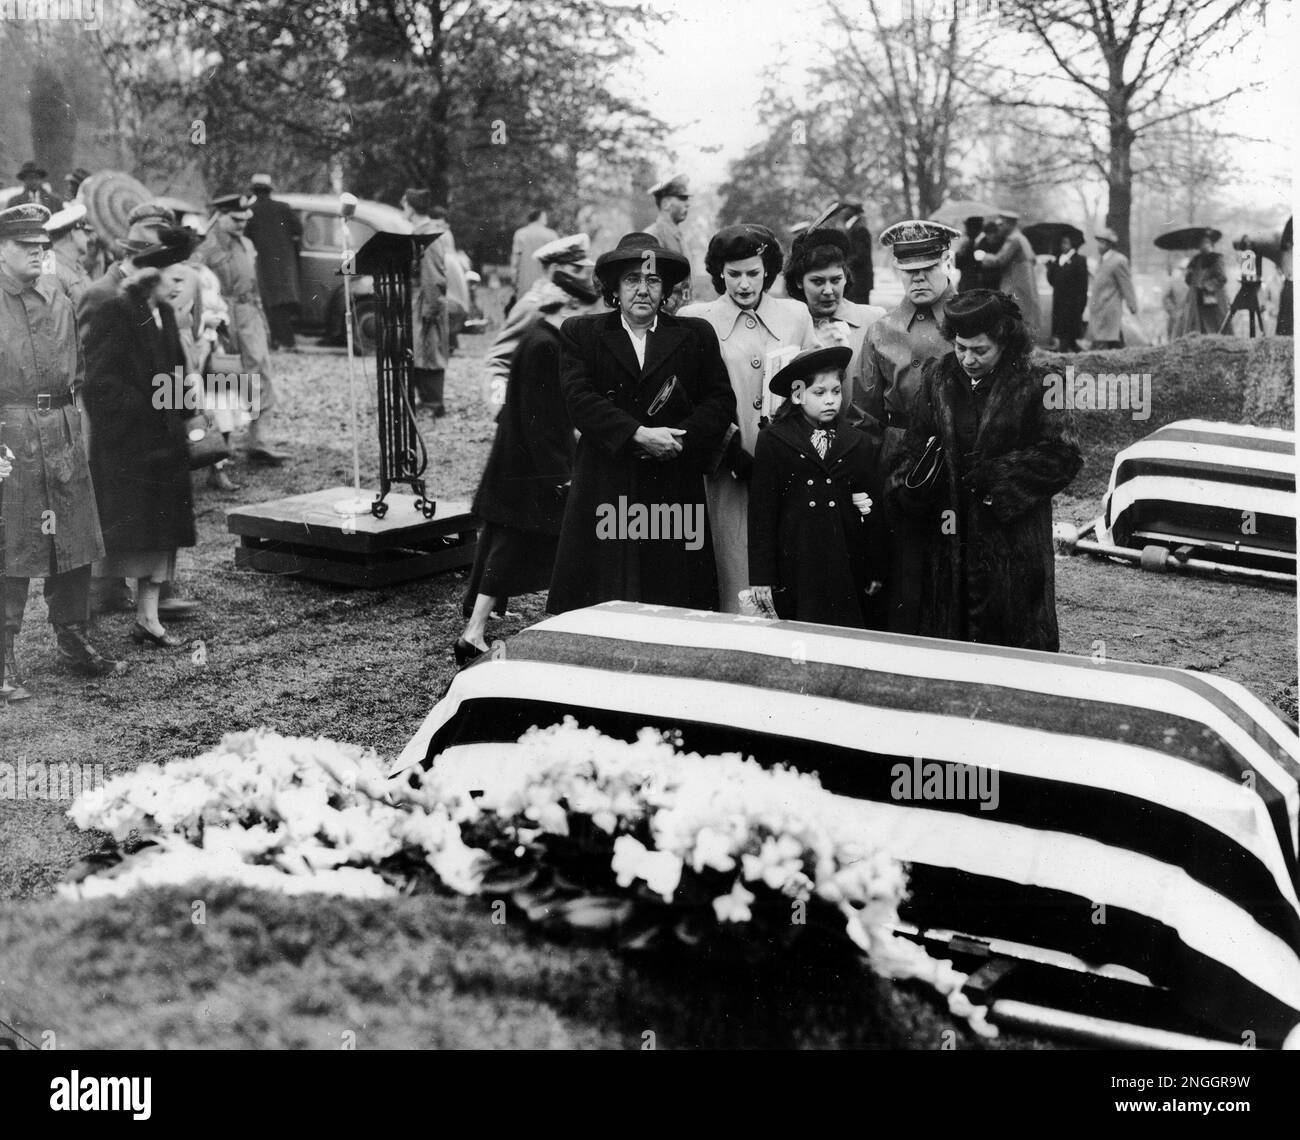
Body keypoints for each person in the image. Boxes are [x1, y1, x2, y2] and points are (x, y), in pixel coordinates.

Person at [546, 231, 736, 614]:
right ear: (614, 288)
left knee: (672, 589)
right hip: (607, 481)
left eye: (652, 280)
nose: (642, 290)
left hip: (673, 479)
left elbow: (719, 400)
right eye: (632, 279)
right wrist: (636, 434)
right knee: (606, 588)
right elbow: (579, 399)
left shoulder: (694, 334)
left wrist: (677, 440)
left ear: (665, 289)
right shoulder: (582, 333)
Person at [886, 290, 1082, 650]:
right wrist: (907, 486)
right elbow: (915, 442)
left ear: (1005, 342)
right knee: (951, 638)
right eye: (961, 347)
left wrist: (998, 477)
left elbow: (1064, 455)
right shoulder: (939, 376)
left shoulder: (1041, 381)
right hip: (949, 534)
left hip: (1012, 539)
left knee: (1012, 642)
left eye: (980, 350)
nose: (967, 359)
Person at [0, 203, 126, 699]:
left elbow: (79, 370)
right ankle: (3, 658)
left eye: (42, 247)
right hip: (9, 434)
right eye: (26, 247)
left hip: (62, 427)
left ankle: (73, 636)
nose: (37, 254)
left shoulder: (58, 296)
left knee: (71, 540)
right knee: (10, 546)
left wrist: (79, 428)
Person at [454, 274, 600, 665]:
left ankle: (476, 630)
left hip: (519, 466)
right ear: (569, 308)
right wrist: (560, 474)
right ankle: (474, 632)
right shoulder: (546, 346)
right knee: (519, 547)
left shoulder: (540, 336)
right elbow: (543, 420)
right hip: (532, 469)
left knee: (507, 547)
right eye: (587, 313)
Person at [679, 224, 817, 613]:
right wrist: (729, 453)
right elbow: (691, 400)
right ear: (719, 271)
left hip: (786, 462)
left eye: (753, 273)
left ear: (768, 271)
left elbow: (809, 385)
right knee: (732, 559)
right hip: (726, 466)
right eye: (733, 273)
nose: (743, 284)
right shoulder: (696, 319)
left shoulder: (796, 316)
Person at [83, 227, 198, 651]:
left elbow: (176, 371)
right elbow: (98, 381)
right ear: (152, 275)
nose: (180, 282)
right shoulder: (117, 310)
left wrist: (185, 411)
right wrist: (145, 407)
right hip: (129, 445)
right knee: (132, 534)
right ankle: (84, 624)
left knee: (163, 534)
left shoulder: (166, 312)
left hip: (164, 444)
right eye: (174, 274)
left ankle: (148, 619)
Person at [860, 218, 960, 634]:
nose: (918, 278)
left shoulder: (972, 319)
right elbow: (864, 414)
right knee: (903, 568)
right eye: (909, 270)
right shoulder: (882, 330)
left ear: (947, 260)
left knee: (954, 562)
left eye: (928, 268)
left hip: (958, 454)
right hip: (898, 459)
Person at [747, 345, 886, 628]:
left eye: (836, 391)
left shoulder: (857, 442)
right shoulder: (774, 440)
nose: (830, 401)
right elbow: (762, 513)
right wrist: (762, 576)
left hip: (846, 559)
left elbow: (872, 512)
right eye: (819, 393)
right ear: (798, 395)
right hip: (796, 559)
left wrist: (876, 569)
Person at [195, 192, 288, 463]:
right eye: (235, 219)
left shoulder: (246, 243)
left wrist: (264, 323)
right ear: (220, 216)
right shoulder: (206, 247)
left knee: (261, 373)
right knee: (221, 377)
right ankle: (218, 448)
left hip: (248, 314)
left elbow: (255, 286)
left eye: (244, 219)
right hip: (221, 315)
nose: (241, 224)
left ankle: (258, 440)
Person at [784, 227, 887, 424]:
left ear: (846, 277)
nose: (829, 290)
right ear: (799, 281)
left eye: (836, 280)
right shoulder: (789, 324)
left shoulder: (874, 320)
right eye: (817, 281)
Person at [485, 233, 596, 399]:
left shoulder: (573, 302)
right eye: (576, 269)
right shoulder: (533, 307)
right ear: (553, 270)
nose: (583, 276)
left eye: (584, 269)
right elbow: (498, 360)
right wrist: (501, 409)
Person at [401, 189, 453, 416]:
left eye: (404, 204)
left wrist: (431, 308)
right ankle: (426, 400)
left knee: (430, 352)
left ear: (411, 207)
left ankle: (433, 403)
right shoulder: (423, 232)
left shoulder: (429, 236)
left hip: (427, 302)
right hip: (421, 301)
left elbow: (433, 277)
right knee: (421, 351)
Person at [243, 173, 303, 351]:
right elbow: (298, 229)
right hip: (286, 264)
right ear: (269, 190)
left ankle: (283, 342)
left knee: (272, 304)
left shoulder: (250, 211)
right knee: (282, 304)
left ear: (254, 191)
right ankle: (283, 342)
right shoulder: (283, 208)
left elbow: (246, 236)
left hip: (264, 263)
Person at [975, 209, 1041, 344]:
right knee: (1025, 314)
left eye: (1002, 224)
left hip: (1015, 282)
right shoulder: (1022, 238)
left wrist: (983, 256)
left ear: (1010, 224)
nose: (999, 227)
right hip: (1025, 283)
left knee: (1014, 314)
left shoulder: (1013, 239)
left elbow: (1000, 259)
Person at [646, 174, 691, 310]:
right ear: (665, 203)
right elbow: (648, 285)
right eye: (682, 198)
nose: (688, 204)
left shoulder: (678, 235)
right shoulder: (652, 236)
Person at [1089, 226, 1139, 349]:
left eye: (1102, 242)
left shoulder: (1118, 261)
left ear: (1110, 245)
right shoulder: (1101, 261)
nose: (1099, 246)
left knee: (1108, 341)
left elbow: (1126, 284)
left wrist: (1132, 305)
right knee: (1107, 343)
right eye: (1098, 242)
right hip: (1099, 308)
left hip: (1110, 308)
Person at [1177, 229, 1229, 336]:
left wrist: (1206, 285)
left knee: (1214, 323)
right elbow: (1189, 281)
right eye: (1201, 243)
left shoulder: (1217, 258)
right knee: (1196, 323)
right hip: (1196, 298)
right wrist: (1190, 274)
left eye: (1206, 243)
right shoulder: (1196, 260)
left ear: (1211, 244)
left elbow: (1222, 278)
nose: (1203, 246)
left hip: (1213, 298)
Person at [41, 203, 93, 307]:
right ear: (73, 233)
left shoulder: (75, 265)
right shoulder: (50, 269)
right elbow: (57, 319)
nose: (89, 239)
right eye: (86, 233)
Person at [1046, 232, 1088, 352]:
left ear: (1072, 244)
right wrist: (1049, 268)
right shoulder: (1058, 259)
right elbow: (1052, 281)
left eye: (1066, 243)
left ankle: (1064, 355)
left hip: (1072, 304)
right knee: (1065, 337)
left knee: (1067, 334)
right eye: (1062, 243)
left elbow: (1083, 285)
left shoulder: (1079, 260)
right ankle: (1072, 354)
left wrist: (1081, 304)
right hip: (1059, 301)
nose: (1063, 245)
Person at [508, 206, 558, 307]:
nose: (546, 219)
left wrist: (514, 280)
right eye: (545, 217)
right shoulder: (552, 235)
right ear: (540, 217)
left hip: (524, 282)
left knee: (524, 308)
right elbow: (557, 261)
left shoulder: (520, 234)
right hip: (546, 283)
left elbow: (515, 261)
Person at [1161, 261, 1190, 343]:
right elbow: (1165, 298)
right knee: (1175, 340)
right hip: (1176, 317)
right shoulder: (1174, 282)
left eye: (1188, 269)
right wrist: (1173, 312)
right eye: (1183, 269)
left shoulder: (1195, 284)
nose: (1186, 271)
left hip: (1191, 317)